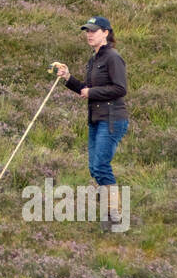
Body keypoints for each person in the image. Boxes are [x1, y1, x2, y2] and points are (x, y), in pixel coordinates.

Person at [53, 16, 129, 233]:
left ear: (106, 33)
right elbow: (86, 88)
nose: (89, 34)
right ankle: (109, 208)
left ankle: (114, 216)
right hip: (96, 119)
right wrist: (68, 78)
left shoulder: (113, 58)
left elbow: (120, 89)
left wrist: (92, 92)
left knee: (101, 166)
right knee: (94, 168)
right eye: (87, 31)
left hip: (113, 118)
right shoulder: (94, 60)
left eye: (94, 31)